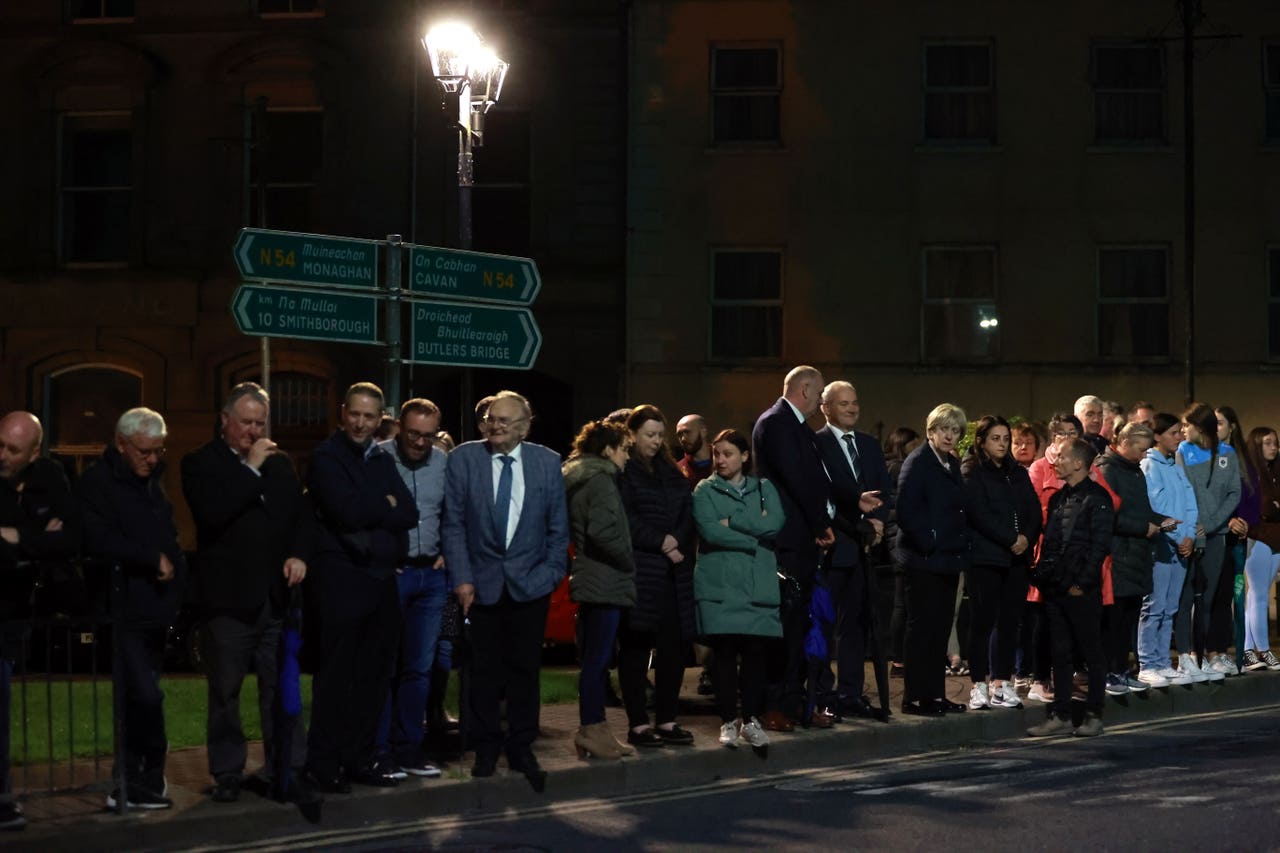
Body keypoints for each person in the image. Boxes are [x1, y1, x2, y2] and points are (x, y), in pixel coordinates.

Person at [180, 383, 312, 804]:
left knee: (281, 690)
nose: (254, 431)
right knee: (225, 691)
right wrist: (250, 470)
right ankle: (227, 772)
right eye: (246, 423)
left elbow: (299, 517)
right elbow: (213, 514)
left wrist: (299, 554)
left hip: (274, 598)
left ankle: (286, 768)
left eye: (260, 423)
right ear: (225, 420)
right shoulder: (200, 463)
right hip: (227, 600)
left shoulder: (279, 464)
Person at [442, 390, 568, 789]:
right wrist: (462, 578)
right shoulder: (464, 459)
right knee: (482, 672)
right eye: (490, 419)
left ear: (524, 427)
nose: (494, 426)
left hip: (530, 586)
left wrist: (549, 576)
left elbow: (557, 529)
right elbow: (453, 524)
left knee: (524, 671)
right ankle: (485, 747)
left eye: (503, 420)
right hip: (480, 585)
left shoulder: (547, 462)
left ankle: (521, 746)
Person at [305, 382, 417, 792]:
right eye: (354, 413)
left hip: (381, 582)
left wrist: (376, 508)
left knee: (374, 678)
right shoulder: (325, 457)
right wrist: (383, 503)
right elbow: (347, 513)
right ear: (342, 412)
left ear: (379, 419)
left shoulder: (380, 459)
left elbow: (409, 512)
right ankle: (324, 764)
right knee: (336, 678)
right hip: (342, 582)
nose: (360, 423)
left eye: (369, 416)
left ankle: (359, 758)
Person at [78, 408, 185, 809]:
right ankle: (134, 780)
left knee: (144, 697)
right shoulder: (98, 483)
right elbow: (97, 538)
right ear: (121, 444)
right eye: (144, 451)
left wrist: (174, 579)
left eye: (158, 451)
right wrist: (150, 558)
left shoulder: (152, 484)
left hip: (153, 607)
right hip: (121, 608)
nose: (153, 459)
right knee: (143, 696)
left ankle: (142, 780)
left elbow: (167, 534)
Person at [0, 411, 80, 830]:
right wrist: (37, 536)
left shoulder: (49, 477)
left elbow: (71, 538)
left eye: (12, 449)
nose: (2, 455)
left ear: (34, 452)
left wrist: (16, 536)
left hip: (12, 615)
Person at [751, 366, 833, 730]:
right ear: (805, 389)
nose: (820, 401)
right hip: (786, 541)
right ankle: (774, 705)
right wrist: (820, 523)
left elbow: (815, 478)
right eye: (819, 393)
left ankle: (796, 702)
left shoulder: (796, 426)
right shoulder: (777, 423)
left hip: (800, 540)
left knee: (799, 626)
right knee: (783, 625)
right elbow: (797, 479)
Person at [692, 429, 785, 749]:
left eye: (728, 454)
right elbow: (710, 531)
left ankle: (751, 720)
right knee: (724, 657)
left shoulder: (764, 488)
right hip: (722, 586)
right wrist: (753, 537)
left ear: (744, 456)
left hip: (757, 586)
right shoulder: (704, 490)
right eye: (717, 453)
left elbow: (775, 523)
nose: (720, 460)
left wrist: (732, 521)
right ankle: (728, 720)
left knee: (756, 657)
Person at [372, 398, 448, 779]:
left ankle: (410, 748)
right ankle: (379, 750)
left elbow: (454, 513)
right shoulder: (378, 458)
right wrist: (383, 555)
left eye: (428, 436)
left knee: (419, 668)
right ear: (400, 427)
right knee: (384, 666)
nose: (420, 443)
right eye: (414, 434)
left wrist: (447, 553)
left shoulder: (443, 463)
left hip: (431, 577)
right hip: (393, 575)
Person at [617, 404, 697, 746]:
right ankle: (638, 724)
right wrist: (661, 541)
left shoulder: (669, 470)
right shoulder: (625, 470)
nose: (655, 441)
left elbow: (687, 509)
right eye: (649, 434)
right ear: (632, 434)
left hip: (674, 574)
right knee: (635, 649)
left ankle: (667, 720)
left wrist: (676, 539)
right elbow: (625, 518)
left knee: (673, 650)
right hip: (642, 572)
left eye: (659, 435)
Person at [813, 381, 890, 720]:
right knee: (823, 625)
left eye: (855, 402)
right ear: (825, 407)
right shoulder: (817, 444)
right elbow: (824, 494)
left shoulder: (870, 445)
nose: (852, 408)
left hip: (865, 550)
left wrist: (878, 524)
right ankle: (823, 694)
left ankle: (850, 693)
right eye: (843, 403)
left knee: (856, 626)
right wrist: (858, 524)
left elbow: (884, 490)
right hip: (833, 545)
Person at [1025, 439, 1113, 738]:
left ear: (1078, 463)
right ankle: (1060, 715)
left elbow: (1099, 547)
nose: (1055, 461)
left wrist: (1080, 584)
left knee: (1091, 652)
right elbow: (1051, 541)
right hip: (1055, 589)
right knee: (1059, 653)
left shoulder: (1098, 498)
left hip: (1080, 591)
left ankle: (1093, 715)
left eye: (1062, 457)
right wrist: (1043, 577)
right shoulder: (1059, 498)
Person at [561, 419, 636, 760]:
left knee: (595, 659)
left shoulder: (581, 478)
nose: (627, 457)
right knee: (597, 660)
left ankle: (597, 729)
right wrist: (628, 557)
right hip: (604, 579)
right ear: (608, 450)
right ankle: (591, 729)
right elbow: (603, 531)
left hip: (592, 577)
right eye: (624, 449)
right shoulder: (601, 481)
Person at [960, 415, 1041, 711]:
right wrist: (1010, 538)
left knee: (1009, 623)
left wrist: (1026, 538)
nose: (1002, 444)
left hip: (1016, 559)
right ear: (981, 441)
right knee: (982, 622)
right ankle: (978, 684)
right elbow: (978, 513)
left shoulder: (1016, 472)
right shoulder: (973, 471)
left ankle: (1001, 682)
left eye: (1006, 439)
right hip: (985, 557)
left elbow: (1033, 509)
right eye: (996, 439)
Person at [895, 403, 970, 717]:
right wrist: (932, 541)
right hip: (923, 560)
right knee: (922, 630)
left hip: (947, 559)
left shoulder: (950, 463)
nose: (949, 436)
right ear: (931, 431)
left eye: (955, 431)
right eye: (944, 429)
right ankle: (915, 697)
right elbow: (905, 511)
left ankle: (935, 695)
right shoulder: (918, 462)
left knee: (939, 629)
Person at [1094, 422, 1169, 691]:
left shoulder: (1134, 471)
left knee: (1129, 618)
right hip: (1119, 555)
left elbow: (1142, 509)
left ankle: (1121, 669)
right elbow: (1108, 515)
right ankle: (1109, 672)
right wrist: (1142, 528)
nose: (1144, 455)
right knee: (1114, 619)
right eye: (1141, 449)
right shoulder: (1108, 470)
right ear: (1125, 443)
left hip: (1137, 554)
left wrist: (1161, 521)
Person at [1174, 403, 1239, 680]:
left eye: (1186, 425)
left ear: (1200, 428)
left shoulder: (1228, 453)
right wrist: (1194, 526)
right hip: (1190, 534)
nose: (1182, 431)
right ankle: (1186, 656)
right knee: (1185, 596)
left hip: (1216, 535)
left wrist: (1210, 525)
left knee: (1209, 597)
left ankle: (1203, 656)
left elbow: (1234, 493)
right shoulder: (1183, 451)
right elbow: (1183, 491)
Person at [1137, 413, 1198, 686]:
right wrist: (1179, 537)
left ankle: (1163, 661)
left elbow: (1190, 504)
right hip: (1162, 545)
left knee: (1170, 607)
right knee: (1155, 606)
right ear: (1157, 436)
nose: (1179, 437)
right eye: (1174, 432)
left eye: (1180, 432)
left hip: (1181, 546)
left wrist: (1189, 536)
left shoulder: (1175, 466)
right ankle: (1147, 663)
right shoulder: (1150, 465)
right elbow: (1158, 507)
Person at [1241, 427, 1280, 671]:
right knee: (1258, 595)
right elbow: (1265, 508)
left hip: (1275, 540)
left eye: (1275, 442)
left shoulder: (1275, 472)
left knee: (1256, 595)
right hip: (1258, 539)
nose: (1273, 447)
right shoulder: (1251, 473)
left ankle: (1247, 650)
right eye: (1267, 443)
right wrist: (1273, 507)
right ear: (1256, 445)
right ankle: (1263, 650)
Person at [883, 426, 921, 674]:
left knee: (901, 602)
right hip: (901, 539)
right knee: (904, 603)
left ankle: (899, 659)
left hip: (893, 537)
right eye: (914, 444)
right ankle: (899, 659)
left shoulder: (887, 466)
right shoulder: (900, 468)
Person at [675, 414, 714, 486]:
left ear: (703, 432)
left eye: (687, 432)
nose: (683, 439)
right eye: (680, 434)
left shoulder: (724, 462)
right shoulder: (677, 471)